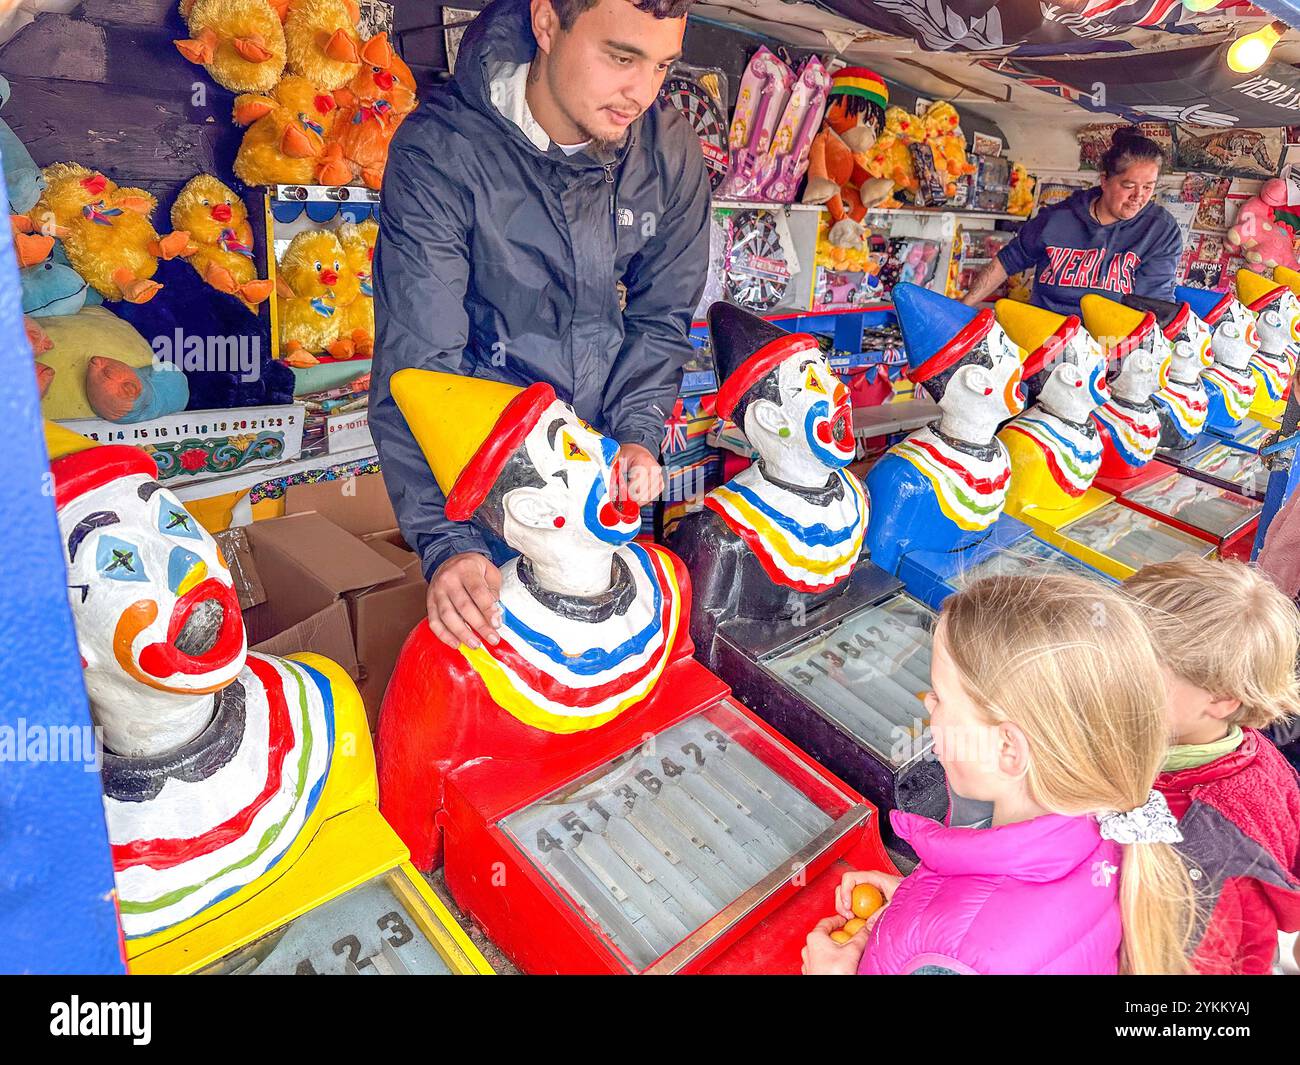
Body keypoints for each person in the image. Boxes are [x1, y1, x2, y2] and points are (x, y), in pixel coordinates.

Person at [371, 0, 711, 652]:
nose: (641, 92)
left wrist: (638, 433)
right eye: (621, 57)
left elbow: (661, 314)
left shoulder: (667, 148)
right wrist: (450, 545)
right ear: (548, 23)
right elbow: (419, 370)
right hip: (489, 494)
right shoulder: (441, 152)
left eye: (662, 64)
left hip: (607, 490)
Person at [802, 574, 1196, 975]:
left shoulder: (952, 964)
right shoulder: (1110, 827)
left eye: (940, 696)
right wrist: (913, 903)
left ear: (1008, 749)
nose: (928, 704)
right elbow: (1008, 918)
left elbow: (975, 944)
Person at [1126, 557, 1300, 975]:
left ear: (1222, 697)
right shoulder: (1244, 747)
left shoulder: (1201, 847)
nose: (1102, 678)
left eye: (1135, 671)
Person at [963, 128, 1182, 316]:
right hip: (1044, 339)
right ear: (1105, 181)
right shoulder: (1057, 218)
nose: (1138, 197)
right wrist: (960, 311)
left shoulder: (1160, 230)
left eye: (1148, 187)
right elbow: (1004, 263)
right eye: (1128, 186)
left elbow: (1155, 305)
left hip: (1112, 347)